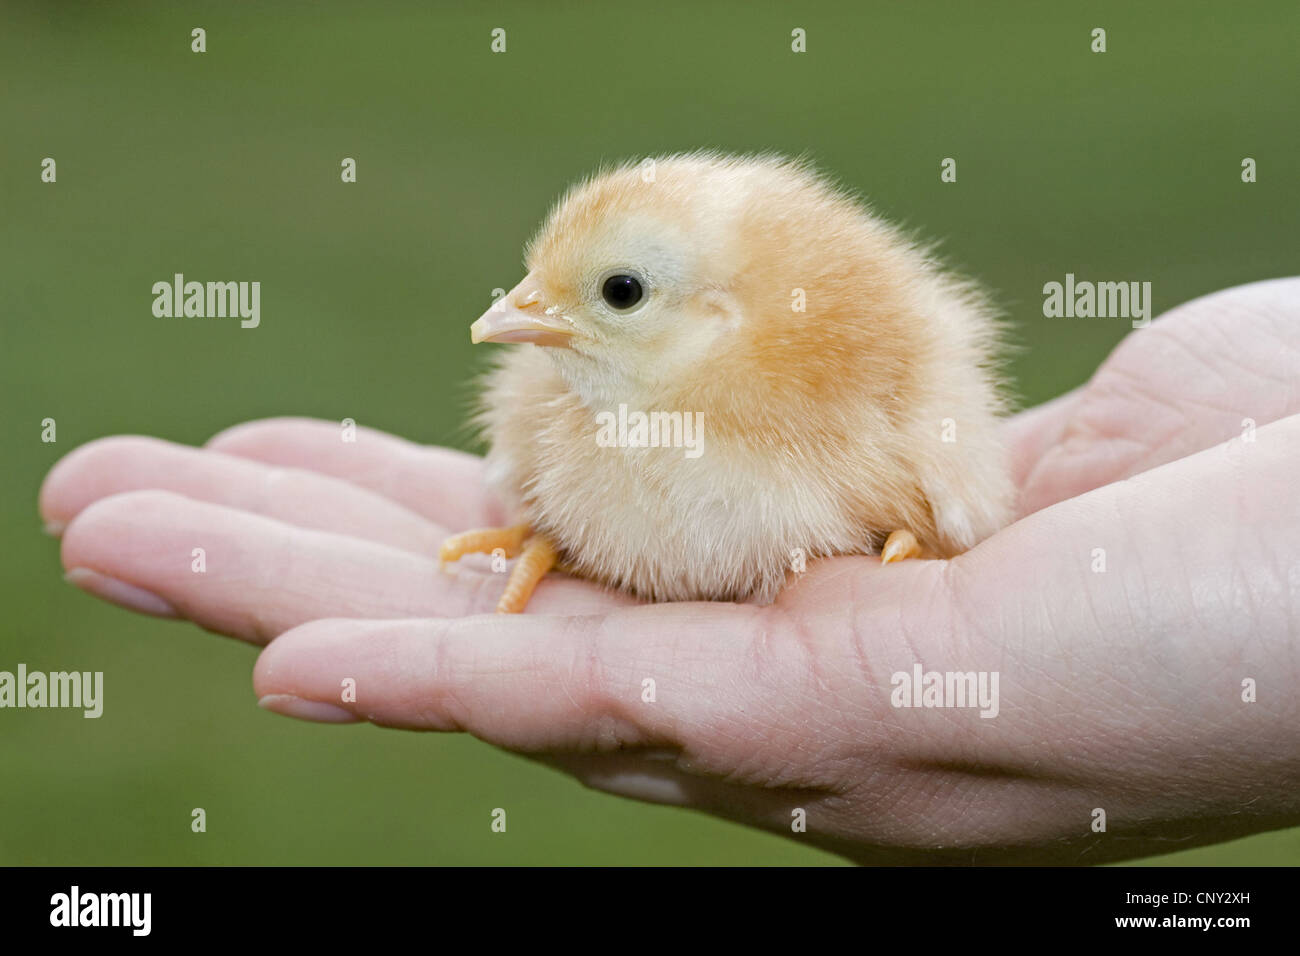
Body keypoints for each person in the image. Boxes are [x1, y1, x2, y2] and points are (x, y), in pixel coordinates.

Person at [39, 279, 1300, 865]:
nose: (518, 316)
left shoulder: (829, 389)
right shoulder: (577, 400)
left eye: (611, 294)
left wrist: (913, 528)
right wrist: (556, 520)